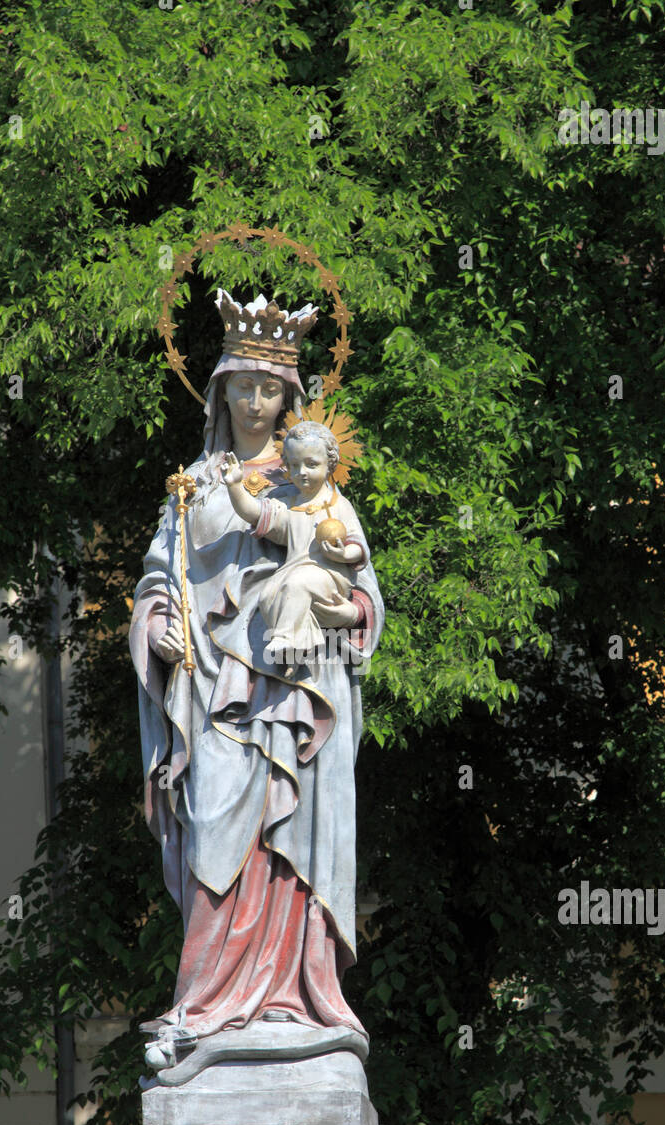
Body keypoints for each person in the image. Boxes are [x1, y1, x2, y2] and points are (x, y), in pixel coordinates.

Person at [129, 289, 384, 1070]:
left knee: (294, 834)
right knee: (214, 825)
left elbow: (365, 595)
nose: (254, 400)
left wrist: (342, 610)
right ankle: (205, 1006)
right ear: (220, 390)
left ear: (289, 398)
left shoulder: (316, 483)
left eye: (268, 388)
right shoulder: (196, 486)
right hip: (215, 697)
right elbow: (156, 581)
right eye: (240, 385)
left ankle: (301, 1000)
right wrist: (158, 626)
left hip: (297, 691)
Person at [221, 420, 369, 671]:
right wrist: (235, 486)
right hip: (294, 571)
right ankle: (295, 650)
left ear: (330, 464)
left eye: (312, 464)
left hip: (330, 576)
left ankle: (287, 640)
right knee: (271, 593)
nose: (302, 472)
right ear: (287, 466)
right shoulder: (289, 507)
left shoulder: (338, 505)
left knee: (298, 583)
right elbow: (253, 512)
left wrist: (344, 553)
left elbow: (359, 545)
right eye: (295, 465)